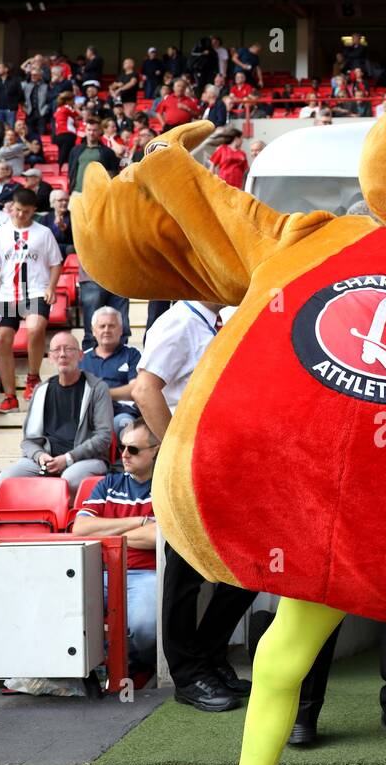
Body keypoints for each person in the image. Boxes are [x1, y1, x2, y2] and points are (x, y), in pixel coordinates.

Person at [130, 300, 251, 712]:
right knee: (184, 572)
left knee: (249, 566)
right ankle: (186, 672)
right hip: (192, 465)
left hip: (228, 462)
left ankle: (210, 655)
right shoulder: (178, 320)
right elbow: (144, 388)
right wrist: (179, 449)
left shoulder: (227, 316)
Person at [72, 418, 160, 673]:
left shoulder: (165, 488)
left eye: (133, 449)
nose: (124, 455)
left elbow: (158, 537)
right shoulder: (108, 484)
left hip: (147, 573)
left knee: (145, 629)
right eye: (122, 447)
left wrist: (108, 530)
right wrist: (140, 521)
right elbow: (81, 528)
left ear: (155, 450)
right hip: (100, 572)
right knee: (59, 609)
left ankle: (122, 668)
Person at [0, 330, 111, 496]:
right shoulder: (41, 390)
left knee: (68, 480)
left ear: (80, 355)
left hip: (85, 459)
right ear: (50, 358)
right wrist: (40, 456)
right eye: (57, 350)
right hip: (46, 460)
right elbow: (28, 441)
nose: (62, 354)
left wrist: (67, 458)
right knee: (6, 479)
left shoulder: (97, 388)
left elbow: (104, 437)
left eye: (69, 349)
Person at [0, 187, 63, 413]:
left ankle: (32, 377)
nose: (20, 215)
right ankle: (10, 396)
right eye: (17, 210)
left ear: (34, 211)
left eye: (26, 212)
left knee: (36, 328)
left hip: (37, 290)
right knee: (1, 340)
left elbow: (56, 263)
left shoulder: (44, 233)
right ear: (11, 207)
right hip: (8, 293)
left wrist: (51, 287)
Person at [80, 307, 141, 437]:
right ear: (94, 331)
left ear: (121, 330)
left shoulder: (132, 354)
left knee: (125, 424)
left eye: (111, 326)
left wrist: (102, 394)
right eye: (102, 326)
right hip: (89, 412)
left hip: (123, 411)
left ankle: (126, 457)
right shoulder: (81, 359)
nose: (106, 330)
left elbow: (135, 390)